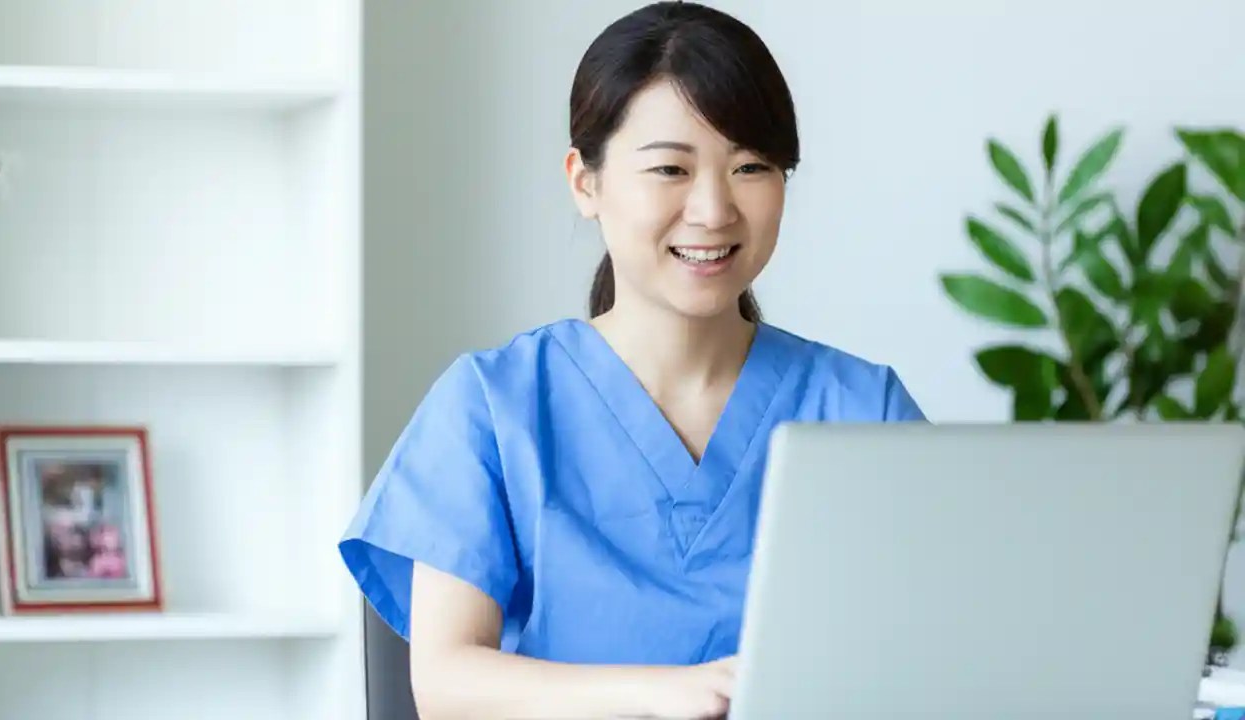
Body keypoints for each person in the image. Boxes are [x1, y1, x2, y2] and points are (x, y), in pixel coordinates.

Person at [339, 2, 926, 718]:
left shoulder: (865, 408)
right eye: (671, 169)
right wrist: (667, 694)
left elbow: (938, 654)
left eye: (750, 166)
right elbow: (446, 684)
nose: (713, 209)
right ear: (586, 183)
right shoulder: (494, 405)